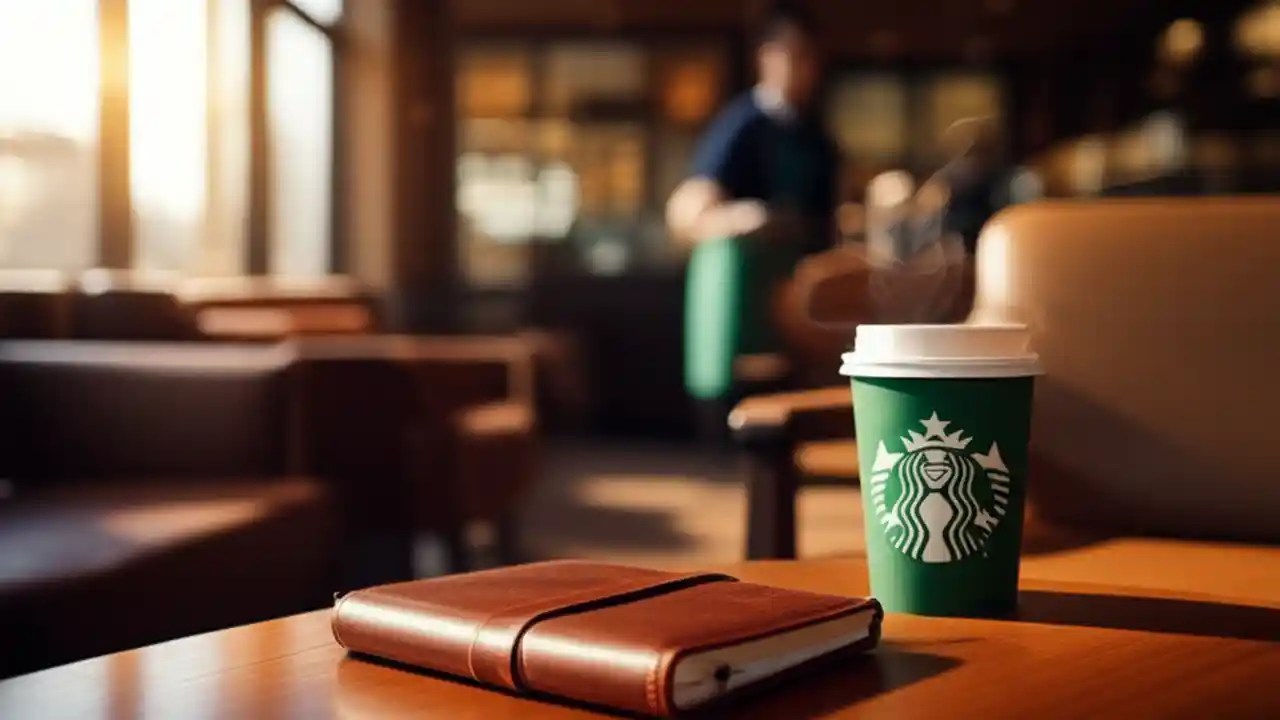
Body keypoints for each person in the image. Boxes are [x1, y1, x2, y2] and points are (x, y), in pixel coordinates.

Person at [670, 3, 840, 440]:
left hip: (800, 289)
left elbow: (826, 223)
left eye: (812, 58)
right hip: (744, 290)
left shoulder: (817, 139)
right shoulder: (739, 127)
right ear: (769, 56)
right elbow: (690, 210)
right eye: (796, 55)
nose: (806, 69)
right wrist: (742, 218)